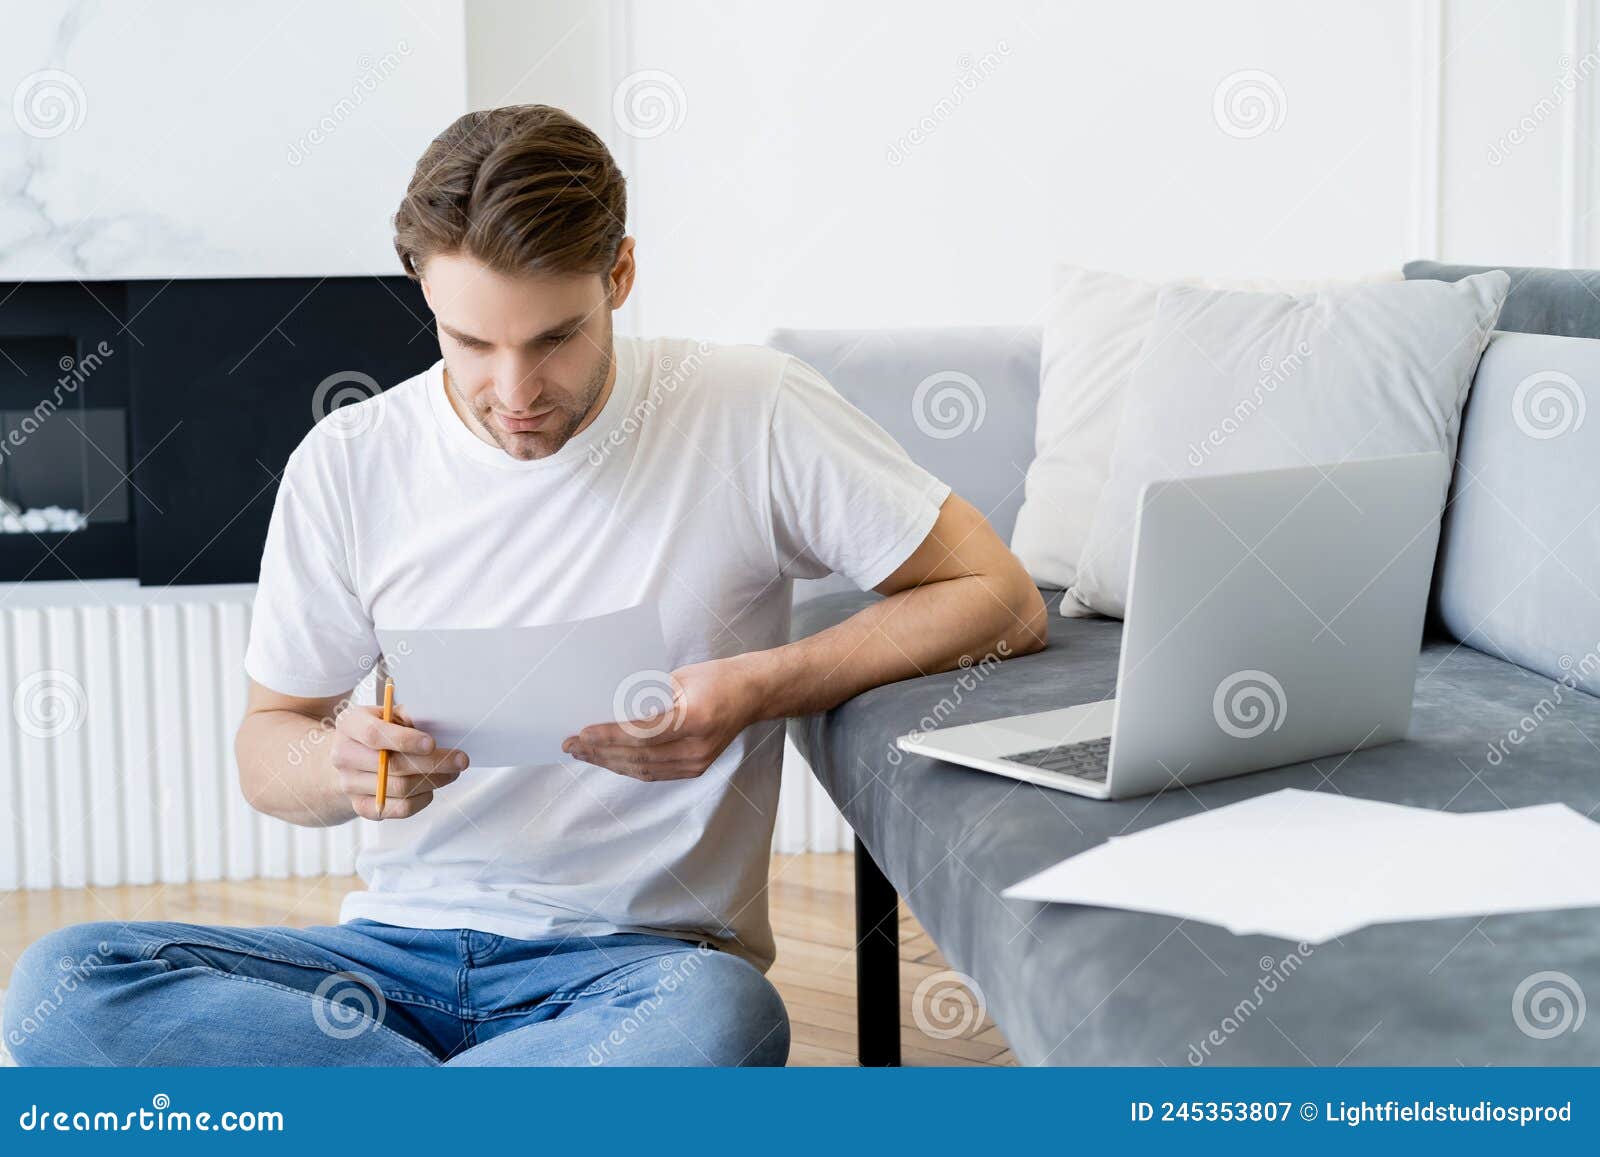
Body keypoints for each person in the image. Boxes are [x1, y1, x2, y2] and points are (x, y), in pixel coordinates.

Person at [6, 105, 1046, 1068]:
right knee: (65, 983)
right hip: (389, 968)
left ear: (620, 275)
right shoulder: (350, 459)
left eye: (554, 337)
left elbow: (999, 594)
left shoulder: (750, 409)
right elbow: (265, 742)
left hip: (640, 972)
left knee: (725, 1019)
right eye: (471, 343)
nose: (514, 394)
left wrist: (758, 686)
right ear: (423, 292)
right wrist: (339, 761)